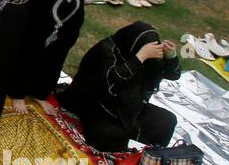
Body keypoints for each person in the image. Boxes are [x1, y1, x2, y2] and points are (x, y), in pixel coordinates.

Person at [58, 23, 181, 153]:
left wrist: (171, 57)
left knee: (166, 121)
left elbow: (171, 74)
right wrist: (140, 57)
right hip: (96, 105)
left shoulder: (141, 55)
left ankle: (153, 158)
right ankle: (121, 158)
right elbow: (110, 84)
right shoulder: (105, 50)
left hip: (127, 106)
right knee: (111, 134)